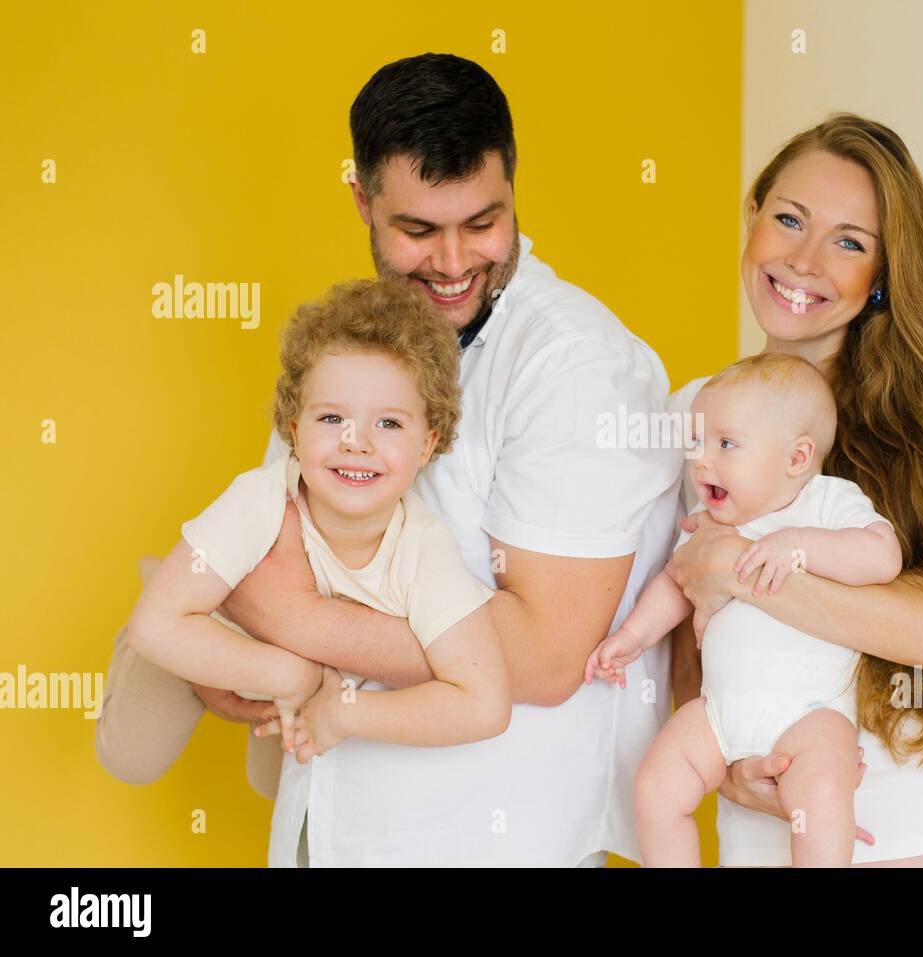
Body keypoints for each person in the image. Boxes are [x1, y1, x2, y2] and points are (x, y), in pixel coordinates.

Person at [97, 53, 682, 867]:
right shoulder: (354, 349)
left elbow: (547, 654)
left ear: (513, 184)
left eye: (482, 222)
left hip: (481, 842)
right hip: (326, 821)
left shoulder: (574, 364)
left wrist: (285, 618)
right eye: (416, 230)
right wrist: (242, 656)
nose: (451, 262)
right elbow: (281, 540)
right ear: (362, 201)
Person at [666, 113, 923, 866]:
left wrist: (736, 567)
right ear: (752, 217)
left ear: (882, 274)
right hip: (771, 833)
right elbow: (684, 646)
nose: (804, 260)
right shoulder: (694, 415)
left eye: (848, 242)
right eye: (788, 219)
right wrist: (726, 766)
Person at [125, 277, 510, 781]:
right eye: (331, 418)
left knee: (270, 783)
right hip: (205, 624)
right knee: (130, 756)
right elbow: (155, 626)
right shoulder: (262, 498)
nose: (356, 442)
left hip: (307, 681)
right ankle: (170, 575)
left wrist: (346, 711)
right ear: (294, 430)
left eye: (389, 424)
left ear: (426, 444)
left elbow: (484, 703)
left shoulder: (423, 546)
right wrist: (288, 673)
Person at [586, 353, 901, 865]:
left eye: (726, 445)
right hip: (719, 712)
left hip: (810, 711)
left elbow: (883, 556)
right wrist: (633, 638)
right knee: (654, 788)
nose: (702, 461)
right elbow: (677, 580)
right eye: (698, 443)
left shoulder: (825, 502)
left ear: (796, 459)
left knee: (821, 797)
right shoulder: (707, 520)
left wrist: (798, 545)